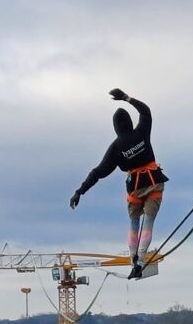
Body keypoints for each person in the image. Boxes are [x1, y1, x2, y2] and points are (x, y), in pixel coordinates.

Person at [70, 88, 168, 279]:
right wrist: (127, 98)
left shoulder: (116, 147)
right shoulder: (141, 132)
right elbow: (146, 111)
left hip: (134, 189)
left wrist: (79, 191)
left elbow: (98, 172)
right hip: (154, 182)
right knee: (148, 223)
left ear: (116, 127)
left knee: (134, 223)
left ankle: (133, 259)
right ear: (129, 123)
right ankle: (139, 262)